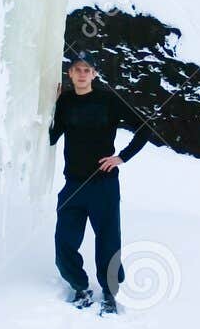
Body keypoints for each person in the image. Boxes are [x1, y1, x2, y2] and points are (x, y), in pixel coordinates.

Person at [48, 49, 153, 313]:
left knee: (107, 240)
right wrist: (49, 107)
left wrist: (121, 158)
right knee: (64, 241)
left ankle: (109, 293)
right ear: (70, 74)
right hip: (73, 185)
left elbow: (144, 128)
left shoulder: (109, 100)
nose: (82, 74)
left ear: (94, 74)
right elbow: (51, 138)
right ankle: (80, 288)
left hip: (103, 185)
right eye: (77, 69)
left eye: (87, 70)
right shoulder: (66, 102)